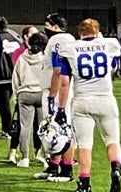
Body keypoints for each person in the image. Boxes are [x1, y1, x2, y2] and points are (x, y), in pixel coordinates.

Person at [55, 18, 121, 192]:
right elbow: (114, 66)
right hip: (105, 99)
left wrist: (61, 109)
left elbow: (64, 81)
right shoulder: (109, 44)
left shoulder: (70, 48)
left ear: (80, 32)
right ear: (97, 31)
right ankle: (116, 168)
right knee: (112, 140)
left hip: (82, 100)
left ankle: (84, 183)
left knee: (85, 145)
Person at [42, 13, 76, 183]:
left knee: (63, 129)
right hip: (59, 91)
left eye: (47, 25)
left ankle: (67, 169)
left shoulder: (58, 40)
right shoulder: (66, 39)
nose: (45, 28)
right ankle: (54, 166)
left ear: (55, 26)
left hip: (57, 93)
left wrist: (52, 98)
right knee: (53, 131)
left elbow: (59, 73)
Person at [12, 31, 49, 168]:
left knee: (25, 127)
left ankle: (25, 158)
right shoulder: (45, 58)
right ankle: (47, 158)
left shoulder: (22, 58)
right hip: (41, 93)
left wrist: (16, 95)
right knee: (44, 127)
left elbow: (15, 78)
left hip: (25, 93)